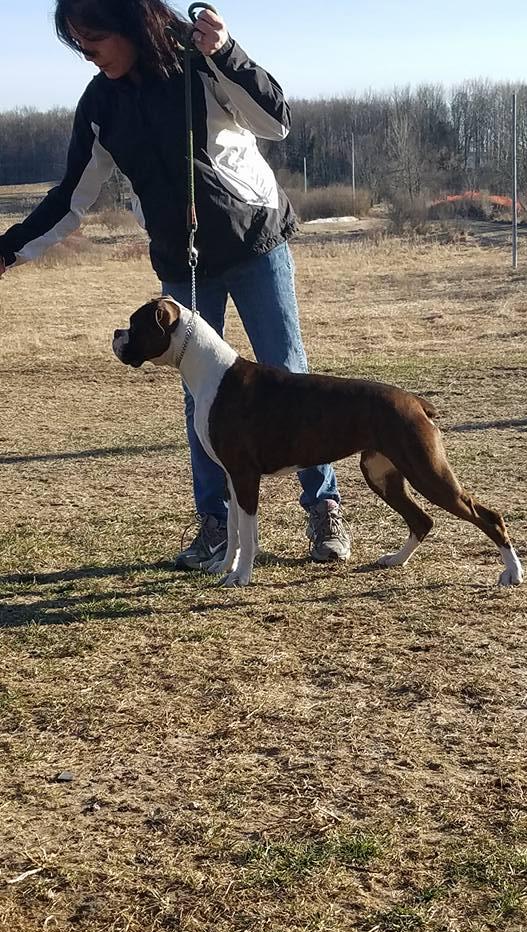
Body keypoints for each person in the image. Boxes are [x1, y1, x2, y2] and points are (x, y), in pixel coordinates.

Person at [0, 0, 351, 570]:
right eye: (76, 44)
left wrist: (228, 53)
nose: (86, 54)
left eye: (92, 39)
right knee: (202, 396)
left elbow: (275, 122)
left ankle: (323, 507)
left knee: (290, 375)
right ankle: (214, 525)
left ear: (128, 23)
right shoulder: (100, 103)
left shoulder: (198, 56)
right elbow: (71, 196)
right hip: (182, 263)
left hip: (254, 241)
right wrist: (8, 249)